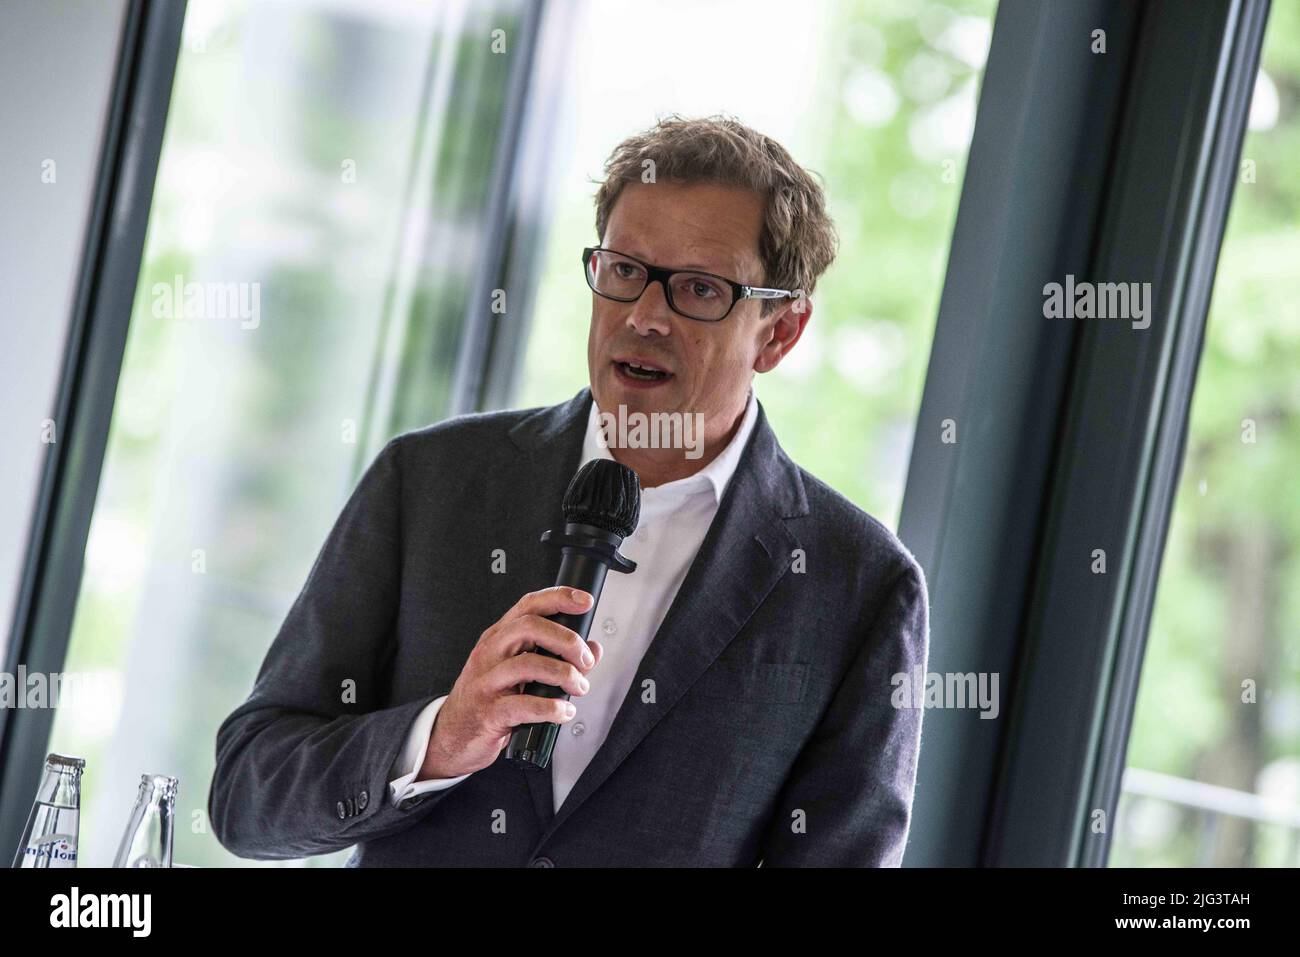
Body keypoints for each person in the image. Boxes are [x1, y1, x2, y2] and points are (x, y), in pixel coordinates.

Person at [209, 115, 929, 867]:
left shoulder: (860, 586)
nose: (645, 317)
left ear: (779, 332)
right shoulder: (429, 480)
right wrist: (440, 736)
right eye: (624, 270)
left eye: (698, 289)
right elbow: (247, 795)